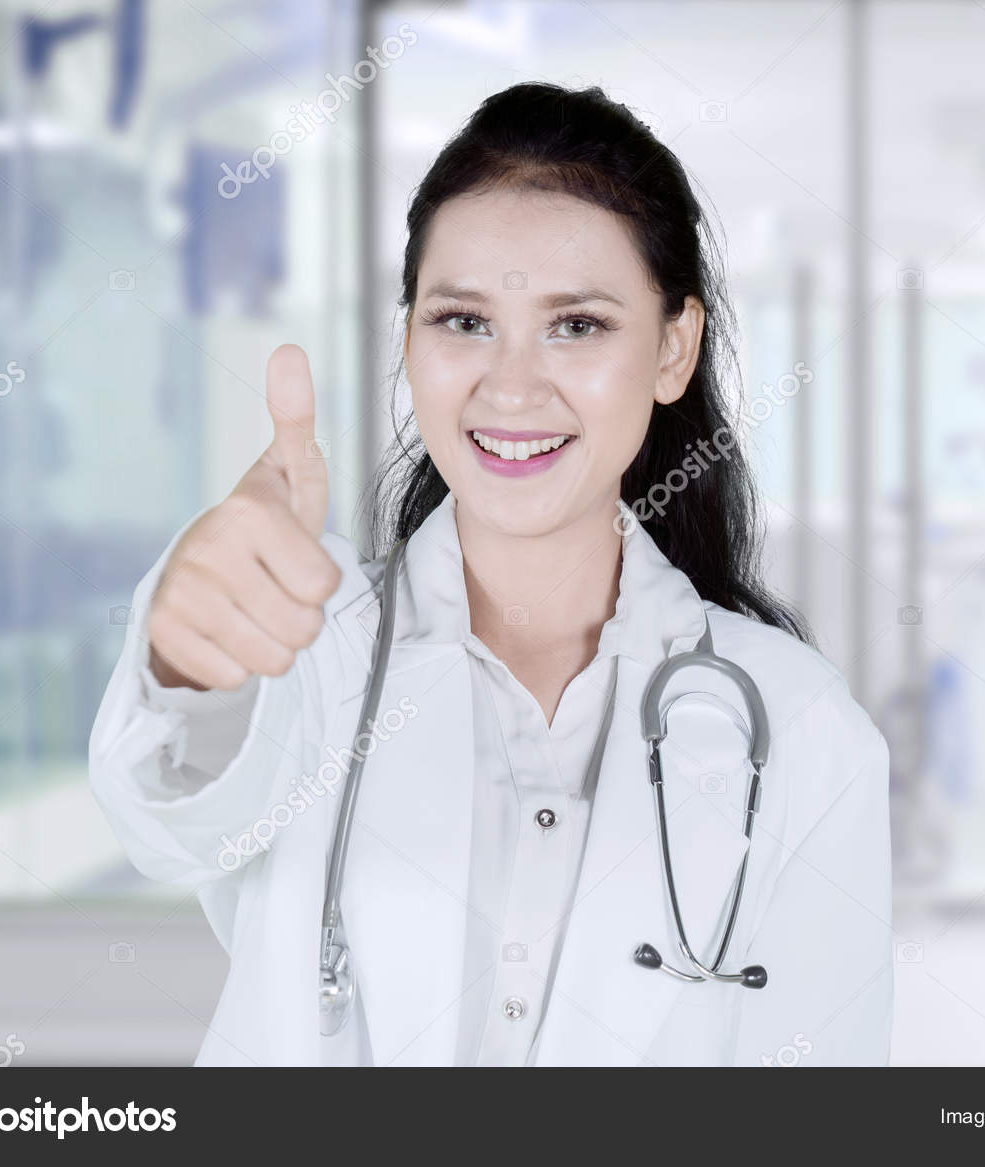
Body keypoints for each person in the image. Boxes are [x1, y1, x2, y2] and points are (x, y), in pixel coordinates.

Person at [88, 82, 892, 1066]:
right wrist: (188, 663)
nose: (510, 387)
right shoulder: (313, 643)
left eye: (577, 325)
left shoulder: (801, 728)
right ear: (410, 337)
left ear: (672, 349)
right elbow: (170, 823)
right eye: (463, 322)